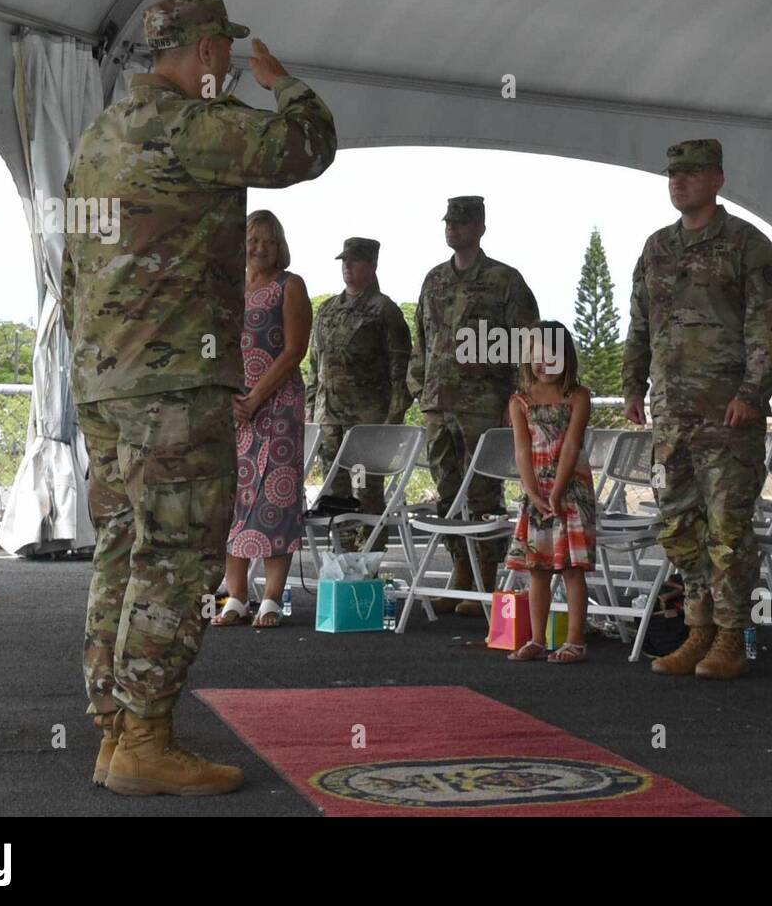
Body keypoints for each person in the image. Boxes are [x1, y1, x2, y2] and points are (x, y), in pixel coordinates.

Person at [63, 0, 336, 796]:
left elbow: (73, 266)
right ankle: (147, 737)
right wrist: (284, 84)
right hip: (175, 383)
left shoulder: (98, 136)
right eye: (223, 50)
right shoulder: (192, 125)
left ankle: (117, 731)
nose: (224, 63)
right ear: (208, 47)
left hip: (105, 384)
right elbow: (307, 146)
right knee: (180, 559)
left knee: (121, 550)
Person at [622, 138, 772, 680]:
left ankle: (732, 635)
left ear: (717, 179)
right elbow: (640, 323)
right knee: (677, 524)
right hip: (672, 414)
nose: (678, 181)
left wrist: (751, 393)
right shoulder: (656, 247)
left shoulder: (746, 244)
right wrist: (632, 384)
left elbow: (768, 331)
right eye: (672, 173)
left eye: (690, 173)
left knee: (729, 530)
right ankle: (698, 628)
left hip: (727, 415)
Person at [408, 196, 539, 614]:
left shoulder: (504, 280)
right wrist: (417, 388)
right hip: (439, 405)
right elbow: (422, 342)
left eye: (462, 223)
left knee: (483, 492)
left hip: (485, 405)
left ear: (480, 227)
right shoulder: (433, 280)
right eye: (449, 222)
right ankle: (460, 567)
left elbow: (529, 344)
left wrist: (518, 400)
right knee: (447, 489)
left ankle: (486, 572)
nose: (453, 228)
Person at [213, 211, 312, 628]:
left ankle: (271, 597)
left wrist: (256, 397)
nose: (260, 248)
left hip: (277, 405)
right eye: (253, 240)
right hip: (236, 406)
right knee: (232, 494)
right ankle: (235, 596)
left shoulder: (290, 286)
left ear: (280, 246)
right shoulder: (231, 289)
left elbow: (295, 350)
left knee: (275, 493)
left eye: (268, 241)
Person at [305, 237, 413, 550]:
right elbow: (316, 367)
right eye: (344, 261)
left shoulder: (384, 311)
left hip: (367, 425)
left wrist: (392, 421)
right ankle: (344, 558)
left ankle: (370, 564)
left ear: (372, 265)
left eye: (355, 261)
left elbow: (400, 369)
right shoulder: (327, 310)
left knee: (366, 494)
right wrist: (311, 414)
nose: (347, 267)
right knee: (336, 498)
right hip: (330, 423)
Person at [503, 322, 596, 664]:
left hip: (571, 490)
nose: (543, 363)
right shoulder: (520, 401)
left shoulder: (578, 396)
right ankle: (537, 639)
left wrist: (557, 491)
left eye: (551, 355)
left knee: (572, 568)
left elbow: (572, 445)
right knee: (537, 567)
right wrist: (532, 491)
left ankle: (575, 641)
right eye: (536, 355)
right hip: (536, 492)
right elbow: (521, 451)